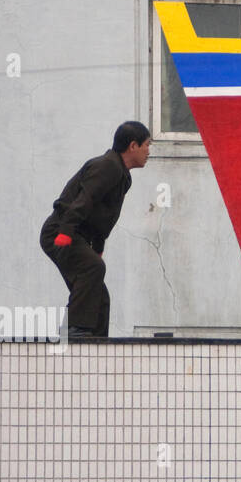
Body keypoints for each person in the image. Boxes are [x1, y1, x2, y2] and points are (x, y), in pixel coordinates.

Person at [39, 121, 151, 338]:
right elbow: (84, 200)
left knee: (98, 295)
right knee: (92, 268)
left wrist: (98, 246)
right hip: (59, 231)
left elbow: (103, 217)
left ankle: (96, 344)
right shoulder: (107, 166)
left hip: (73, 233)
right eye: (147, 145)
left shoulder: (122, 175)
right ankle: (73, 330)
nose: (149, 152)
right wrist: (65, 232)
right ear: (133, 146)